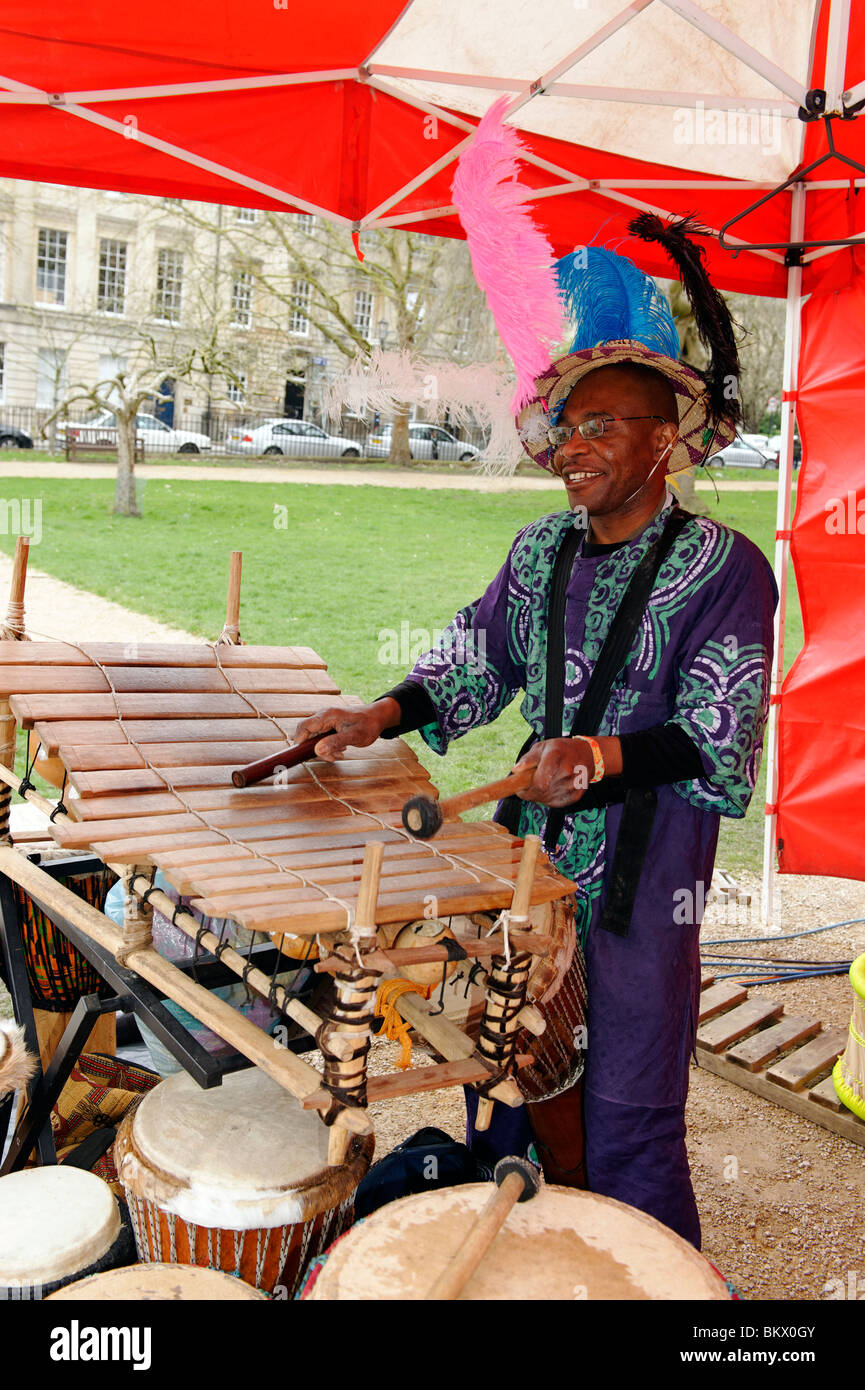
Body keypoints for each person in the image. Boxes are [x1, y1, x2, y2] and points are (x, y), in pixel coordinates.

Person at [294, 223, 778, 1249]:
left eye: (603, 423)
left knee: (631, 1101)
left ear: (663, 441)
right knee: (505, 1064)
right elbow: (473, 660)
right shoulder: (539, 548)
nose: (573, 443)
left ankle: (654, 1278)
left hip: (647, 872)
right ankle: (524, 1252)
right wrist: (377, 714)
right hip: (529, 854)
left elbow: (716, 731)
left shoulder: (729, 569)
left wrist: (598, 756)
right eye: (565, 424)